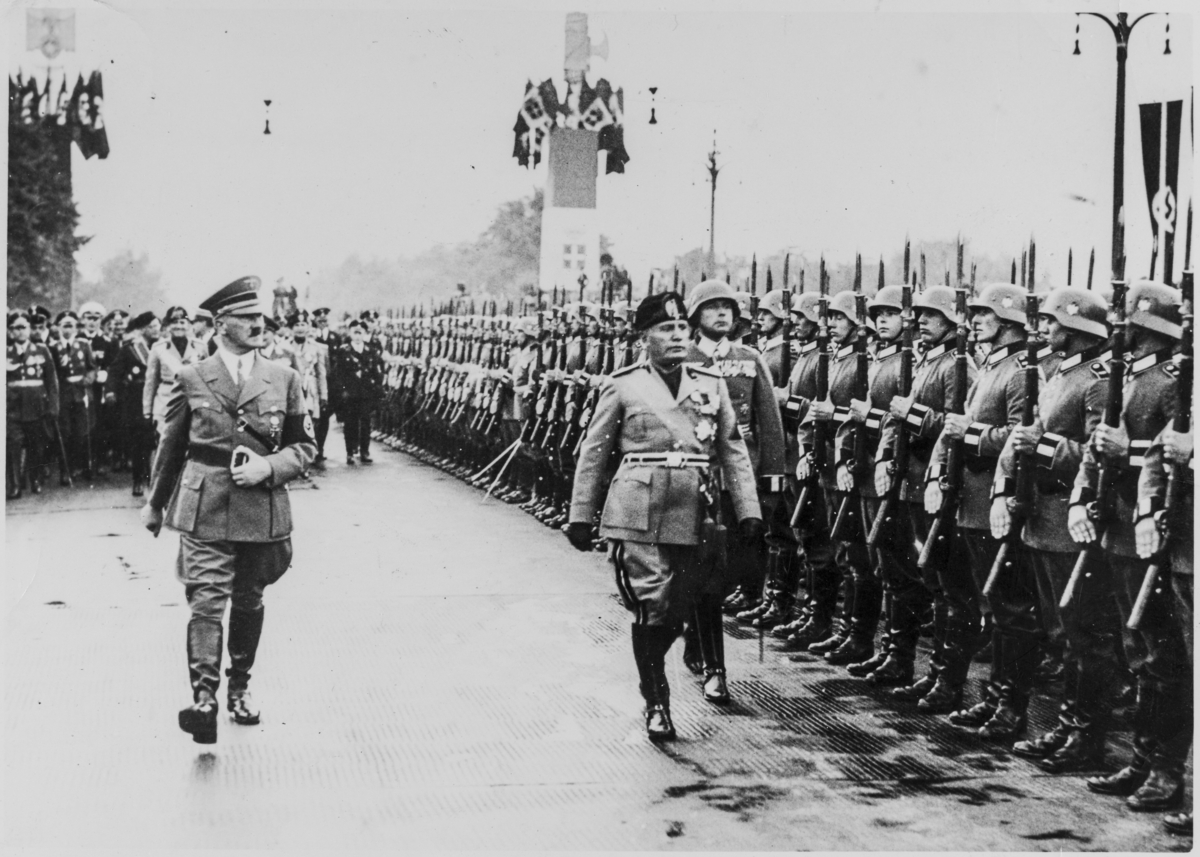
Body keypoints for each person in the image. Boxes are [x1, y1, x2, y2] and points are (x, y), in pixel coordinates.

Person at [567, 291, 762, 741]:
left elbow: (731, 448)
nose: (677, 336)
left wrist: (748, 508)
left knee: (684, 606)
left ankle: (664, 683)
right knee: (653, 605)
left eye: (680, 328)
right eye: (665, 329)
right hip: (638, 509)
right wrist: (581, 513)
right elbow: (594, 453)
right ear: (645, 337)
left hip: (697, 508)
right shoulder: (622, 385)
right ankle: (657, 701)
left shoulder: (709, 382)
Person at [140, 276, 316, 744]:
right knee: (205, 600)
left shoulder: (286, 378)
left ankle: (239, 686)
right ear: (221, 324)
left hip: (261, 505)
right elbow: (171, 446)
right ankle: (204, 699)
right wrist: (156, 504)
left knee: (249, 599)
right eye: (247, 318)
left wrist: (270, 466)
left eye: (261, 318)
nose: (260, 325)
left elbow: (305, 447)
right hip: (205, 504)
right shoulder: (191, 377)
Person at [1071, 281, 1190, 802]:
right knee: (1138, 648)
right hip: (1123, 528)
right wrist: (1083, 498)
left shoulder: (1174, 382)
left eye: (1135, 327)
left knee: (1165, 658)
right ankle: (1143, 760)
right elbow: (1097, 452)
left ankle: (1166, 769)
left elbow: (1169, 457)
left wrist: (1127, 453)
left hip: (1165, 532)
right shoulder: (1125, 378)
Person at [992, 286, 1119, 770]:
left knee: (1084, 635)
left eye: (1051, 322)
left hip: (1072, 523)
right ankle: (1068, 726)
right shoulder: (1058, 373)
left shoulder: (1095, 380)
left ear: (1077, 328)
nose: (1043, 330)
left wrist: (1041, 446)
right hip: (1042, 521)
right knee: (1060, 630)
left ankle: (1085, 735)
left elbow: (1091, 454)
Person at [104, 311, 158, 496]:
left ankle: (154, 479)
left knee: (155, 440)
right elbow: (115, 371)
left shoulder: (164, 347)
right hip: (136, 399)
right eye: (152, 327)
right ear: (142, 329)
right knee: (139, 442)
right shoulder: (130, 349)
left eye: (158, 326)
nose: (156, 330)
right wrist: (110, 391)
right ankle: (138, 479)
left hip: (159, 398)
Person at [6, 310, 59, 498]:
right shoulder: (5, 352)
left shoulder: (42, 350)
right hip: (11, 409)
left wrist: (53, 406)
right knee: (13, 445)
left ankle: (35, 478)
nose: (18, 332)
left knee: (36, 445)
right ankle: (14, 485)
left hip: (37, 408)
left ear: (29, 329)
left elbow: (51, 381)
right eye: (13, 328)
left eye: (22, 327)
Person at [50, 311, 98, 482]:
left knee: (82, 432)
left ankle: (84, 466)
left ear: (76, 327)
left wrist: (88, 379)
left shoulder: (84, 345)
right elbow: (51, 372)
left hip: (82, 392)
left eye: (71, 325)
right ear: (58, 328)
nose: (68, 328)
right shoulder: (53, 347)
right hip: (63, 392)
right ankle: (65, 470)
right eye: (65, 325)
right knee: (65, 432)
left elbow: (92, 367)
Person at [332, 319, 384, 464]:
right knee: (350, 423)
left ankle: (365, 451)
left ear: (365, 334)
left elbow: (377, 372)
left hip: (366, 393)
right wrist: (342, 391)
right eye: (355, 332)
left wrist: (376, 389)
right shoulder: (344, 350)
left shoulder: (370, 351)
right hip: (350, 394)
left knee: (366, 423)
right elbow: (339, 374)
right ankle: (350, 452)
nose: (357, 336)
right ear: (350, 333)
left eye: (360, 333)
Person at [144, 307, 201, 433]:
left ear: (189, 325)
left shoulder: (200, 347)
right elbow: (151, 382)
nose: (178, 326)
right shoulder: (159, 348)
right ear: (168, 326)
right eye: (174, 322)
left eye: (182, 322)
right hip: (165, 404)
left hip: (193, 403)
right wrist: (147, 411)